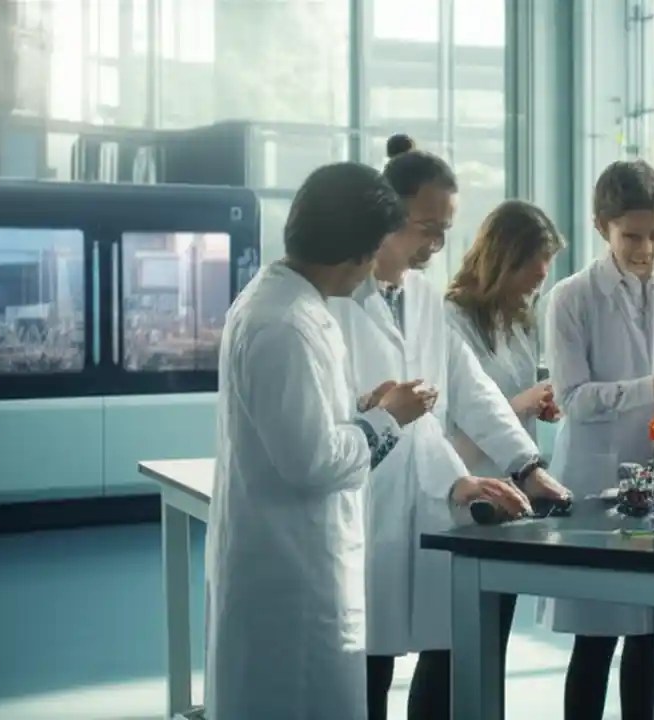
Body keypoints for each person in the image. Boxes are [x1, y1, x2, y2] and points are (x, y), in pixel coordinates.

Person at [331, 134, 571, 720]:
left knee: (442, 646)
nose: (438, 244)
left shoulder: (422, 301)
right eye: (427, 229)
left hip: (430, 495)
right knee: (365, 664)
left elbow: (473, 391)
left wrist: (528, 465)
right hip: (362, 504)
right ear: (386, 214)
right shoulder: (336, 302)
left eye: (445, 230)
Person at [204, 162, 430, 720]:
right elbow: (311, 462)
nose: (376, 263)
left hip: (295, 561)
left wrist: (358, 411)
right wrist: (389, 420)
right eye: (376, 247)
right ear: (354, 251)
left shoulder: (290, 303)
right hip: (293, 576)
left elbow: (300, 426)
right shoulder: (285, 323)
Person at [541, 159, 654, 720]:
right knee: (595, 639)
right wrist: (651, 389)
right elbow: (572, 398)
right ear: (602, 228)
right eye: (632, 236)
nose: (646, 248)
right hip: (596, 482)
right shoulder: (570, 298)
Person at [442, 199, 566, 709]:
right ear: (500, 260)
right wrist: (520, 405)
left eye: (541, 278)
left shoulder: (517, 320)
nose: (534, 286)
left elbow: (508, 401)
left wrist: (538, 402)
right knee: (449, 648)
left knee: (491, 641)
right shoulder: (451, 321)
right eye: (528, 274)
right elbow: (460, 423)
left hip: (513, 497)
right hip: (466, 489)